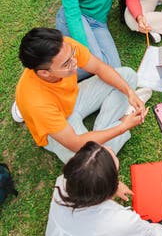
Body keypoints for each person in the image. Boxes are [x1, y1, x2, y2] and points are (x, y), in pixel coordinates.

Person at [14, 27, 151, 163]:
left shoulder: (64, 48)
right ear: (45, 73)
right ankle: (121, 121)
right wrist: (122, 128)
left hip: (75, 97)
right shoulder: (36, 103)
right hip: (57, 128)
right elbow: (76, 143)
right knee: (91, 162)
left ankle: (105, 132)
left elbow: (99, 68)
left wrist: (130, 93)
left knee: (128, 76)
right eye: (67, 64)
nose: (74, 62)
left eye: (72, 54)